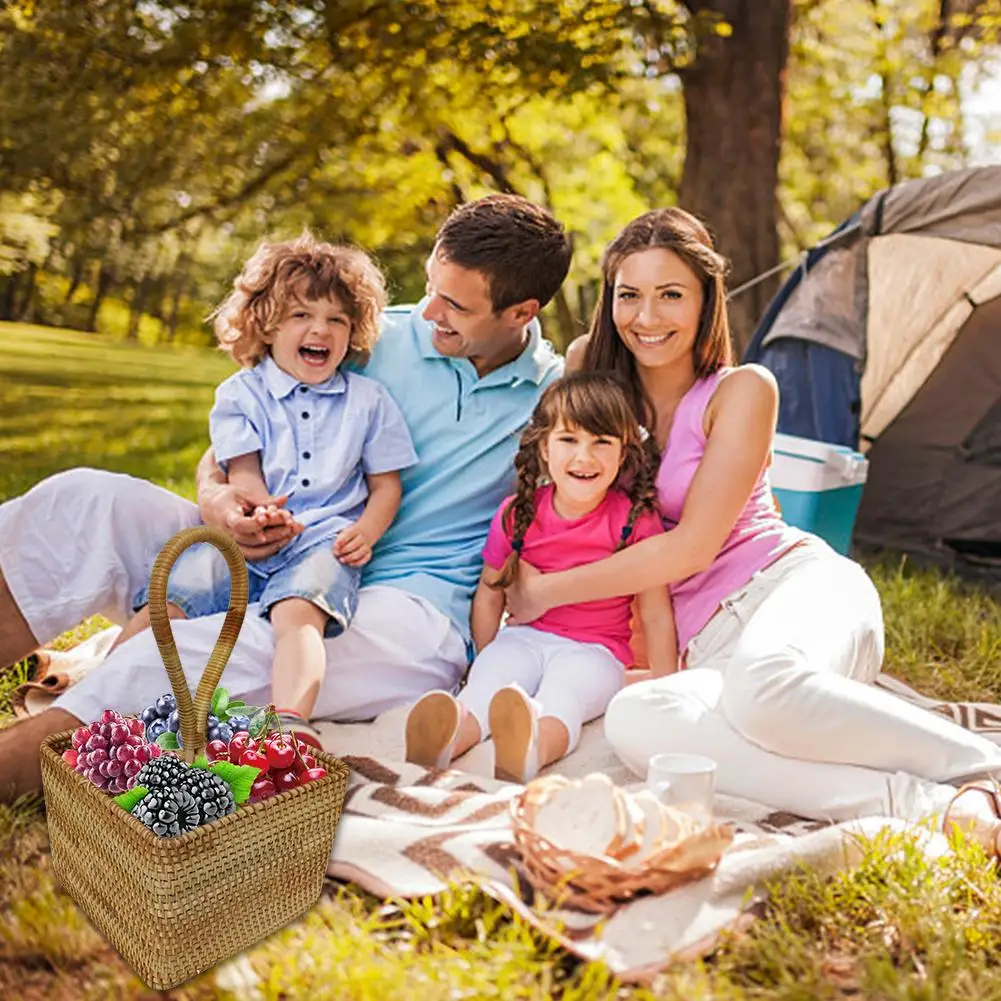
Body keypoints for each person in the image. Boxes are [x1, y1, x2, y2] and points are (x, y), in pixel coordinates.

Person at [0, 194, 571, 802]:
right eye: (432, 285)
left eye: (455, 304)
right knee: (84, 498)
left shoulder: (555, 398)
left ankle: (26, 764)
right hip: (266, 545)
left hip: (406, 605)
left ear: (521, 312)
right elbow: (236, 432)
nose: (430, 310)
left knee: (211, 648)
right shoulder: (370, 337)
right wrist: (220, 499)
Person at [504, 207, 1001, 844]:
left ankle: (982, 768)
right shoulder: (589, 374)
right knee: (636, 720)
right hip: (701, 649)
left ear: (707, 299)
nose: (647, 318)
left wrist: (545, 590)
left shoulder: (742, 390)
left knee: (766, 689)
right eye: (629, 295)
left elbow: (693, 546)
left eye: (671, 295)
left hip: (790, 589)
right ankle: (923, 804)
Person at [109, 236, 419, 742]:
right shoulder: (240, 394)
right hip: (247, 533)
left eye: (337, 320)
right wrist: (256, 514)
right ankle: (98, 702)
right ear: (267, 324)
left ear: (353, 332)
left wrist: (367, 530)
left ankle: (290, 723)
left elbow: (387, 484)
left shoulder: (369, 401)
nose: (320, 329)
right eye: (301, 315)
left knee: (301, 615)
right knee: (171, 600)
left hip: (325, 538)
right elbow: (242, 471)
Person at [404, 372, 675, 782]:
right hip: (523, 637)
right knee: (489, 685)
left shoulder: (635, 520)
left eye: (601, 443)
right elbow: (490, 595)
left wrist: (666, 685)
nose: (584, 457)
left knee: (562, 696)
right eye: (569, 440)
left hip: (596, 652)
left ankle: (530, 748)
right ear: (544, 448)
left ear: (623, 454)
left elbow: (655, 612)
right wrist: (484, 655)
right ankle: (447, 735)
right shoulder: (518, 512)